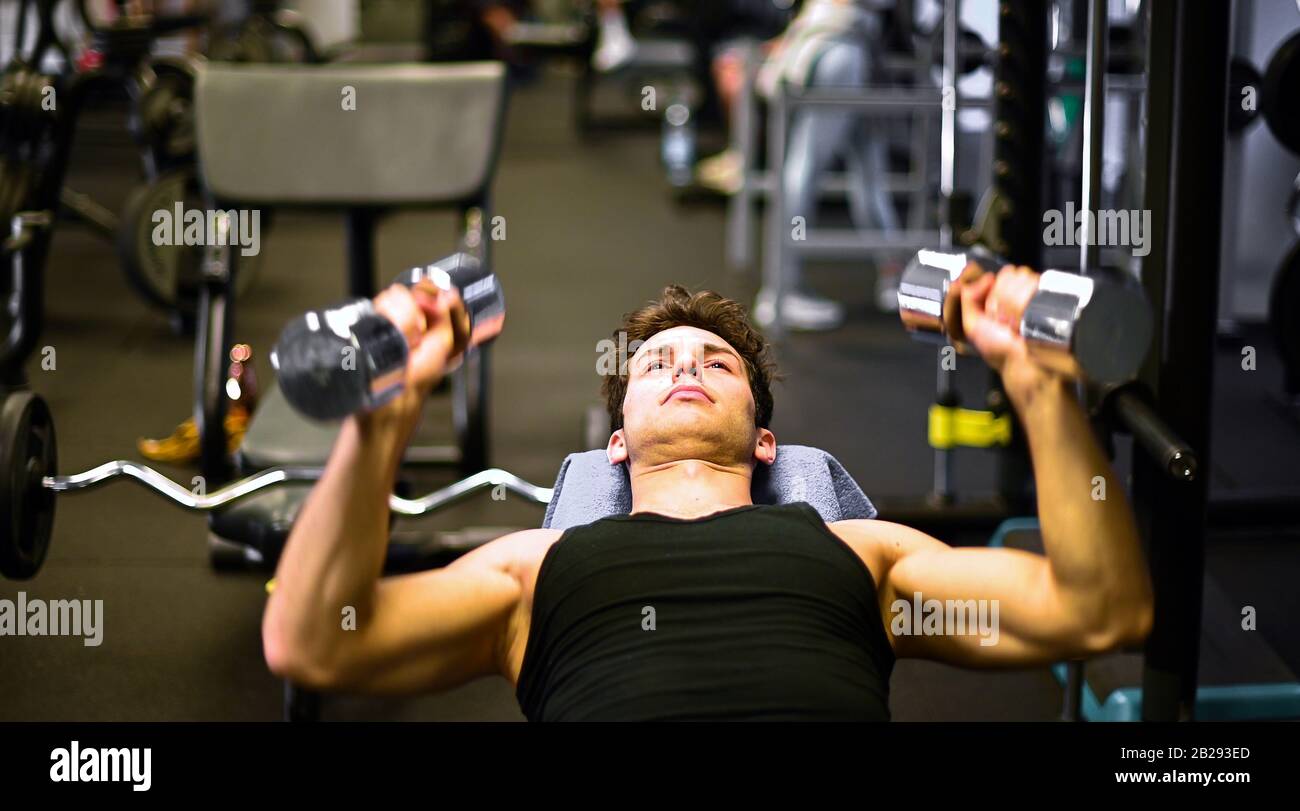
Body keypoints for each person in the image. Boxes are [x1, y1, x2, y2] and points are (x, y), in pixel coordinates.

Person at [262, 270, 1153, 721]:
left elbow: (1097, 610)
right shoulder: (534, 573)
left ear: (766, 440)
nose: (686, 364)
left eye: (715, 362)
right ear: (615, 444)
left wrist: (1039, 387)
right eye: (657, 364)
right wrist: (382, 420)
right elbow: (313, 644)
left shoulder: (864, 555)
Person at [752, 0, 905, 331]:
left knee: (867, 166)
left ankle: (893, 274)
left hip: (845, 43)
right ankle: (782, 289)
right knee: (807, 165)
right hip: (839, 45)